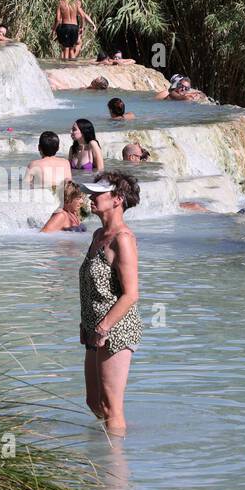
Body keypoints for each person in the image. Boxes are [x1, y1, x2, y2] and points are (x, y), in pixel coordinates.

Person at [78, 172, 141, 435]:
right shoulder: (98, 235)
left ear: (117, 199)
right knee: (94, 402)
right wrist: (86, 324)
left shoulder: (122, 239)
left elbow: (131, 294)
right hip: (95, 326)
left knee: (111, 406)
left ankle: (115, 470)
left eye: (97, 194)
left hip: (115, 328)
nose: (90, 198)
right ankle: (111, 445)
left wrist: (103, 328)